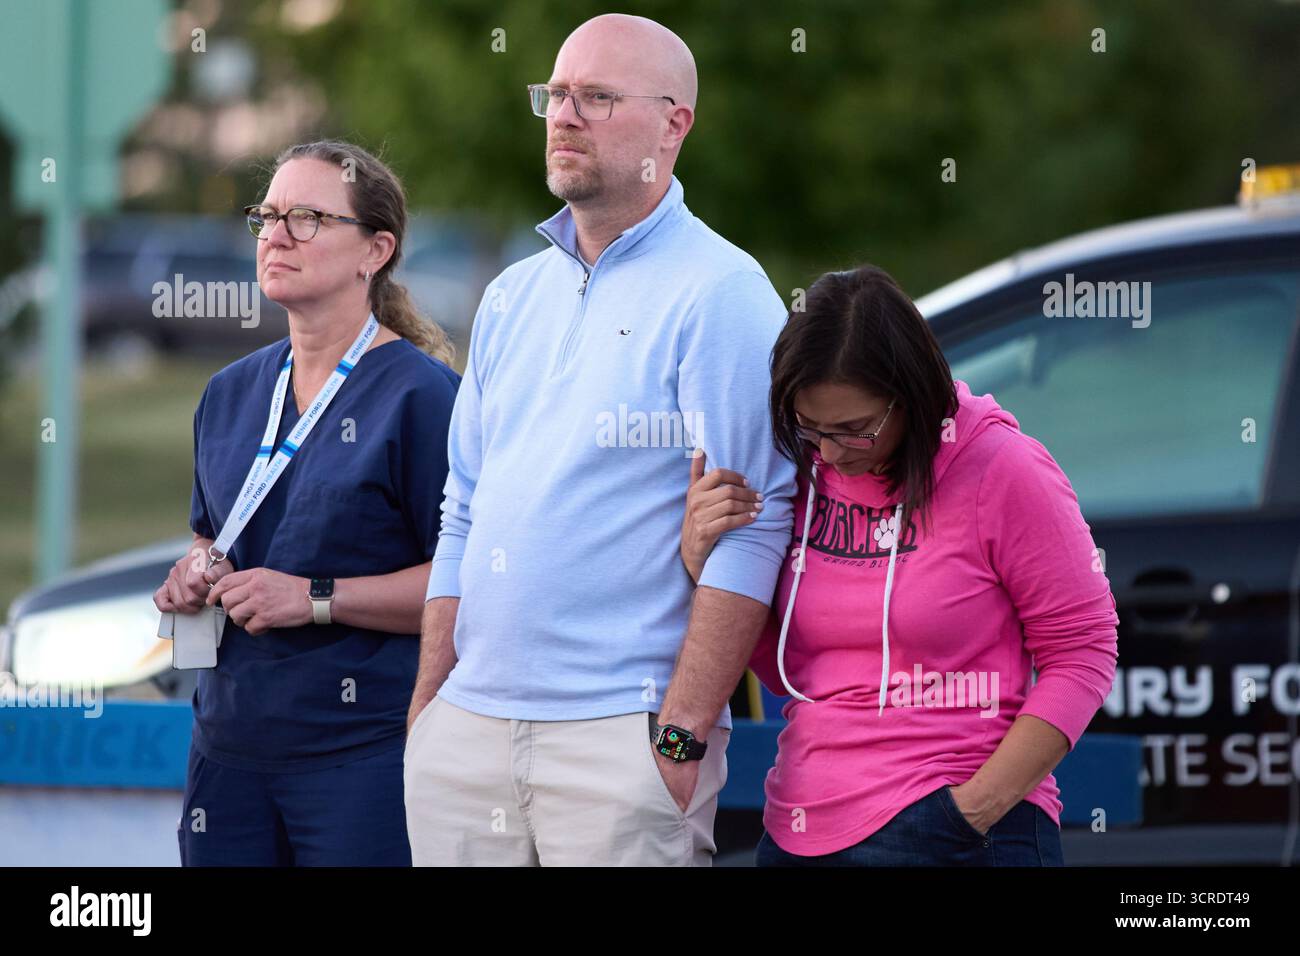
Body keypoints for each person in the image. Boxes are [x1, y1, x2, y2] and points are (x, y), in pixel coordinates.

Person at [403, 14, 797, 866]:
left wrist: (681, 739)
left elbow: (757, 526)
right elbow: (462, 509)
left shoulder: (722, 292)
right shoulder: (511, 295)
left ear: (674, 123)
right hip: (466, 737)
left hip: (622, 736)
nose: (564, 114)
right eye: (555, 93)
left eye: (597, 97)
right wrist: (431, 703)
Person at [681, 264, 1119, 866]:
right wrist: (704, 563)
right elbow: (792, 669)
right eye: (811, 429)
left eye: (856, 430)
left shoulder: (1004, 469)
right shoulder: (801, 475)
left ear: (911, 395)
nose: (831, 453)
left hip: (956, 828)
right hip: (797, 826)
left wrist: (972, 811)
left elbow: (1085, 650)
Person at [154, 140, 459, 866]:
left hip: (359, 755)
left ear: (374, 251)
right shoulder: (230, 391)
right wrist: (191, 572)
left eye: (308, 217)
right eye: (267, 215)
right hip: (228, 750)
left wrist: (315, 597)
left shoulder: (422, 398)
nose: (276, 234)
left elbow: (464, 584)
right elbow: (211, 533)